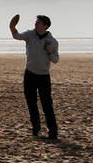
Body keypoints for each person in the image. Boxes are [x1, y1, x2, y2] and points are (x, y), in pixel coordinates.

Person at [9, 13, 59, 141]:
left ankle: (52, 132)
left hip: (44, 76)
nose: (35, 24)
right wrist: (12, 27)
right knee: (31, 103)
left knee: (47, 105)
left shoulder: (52, 42)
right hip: (30, 74)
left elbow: (55, 60)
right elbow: (17, 36)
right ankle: (36, 129)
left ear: (45, 26)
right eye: (36, 22)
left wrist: (50, 52)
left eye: (38, 22)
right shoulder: (30, 35)